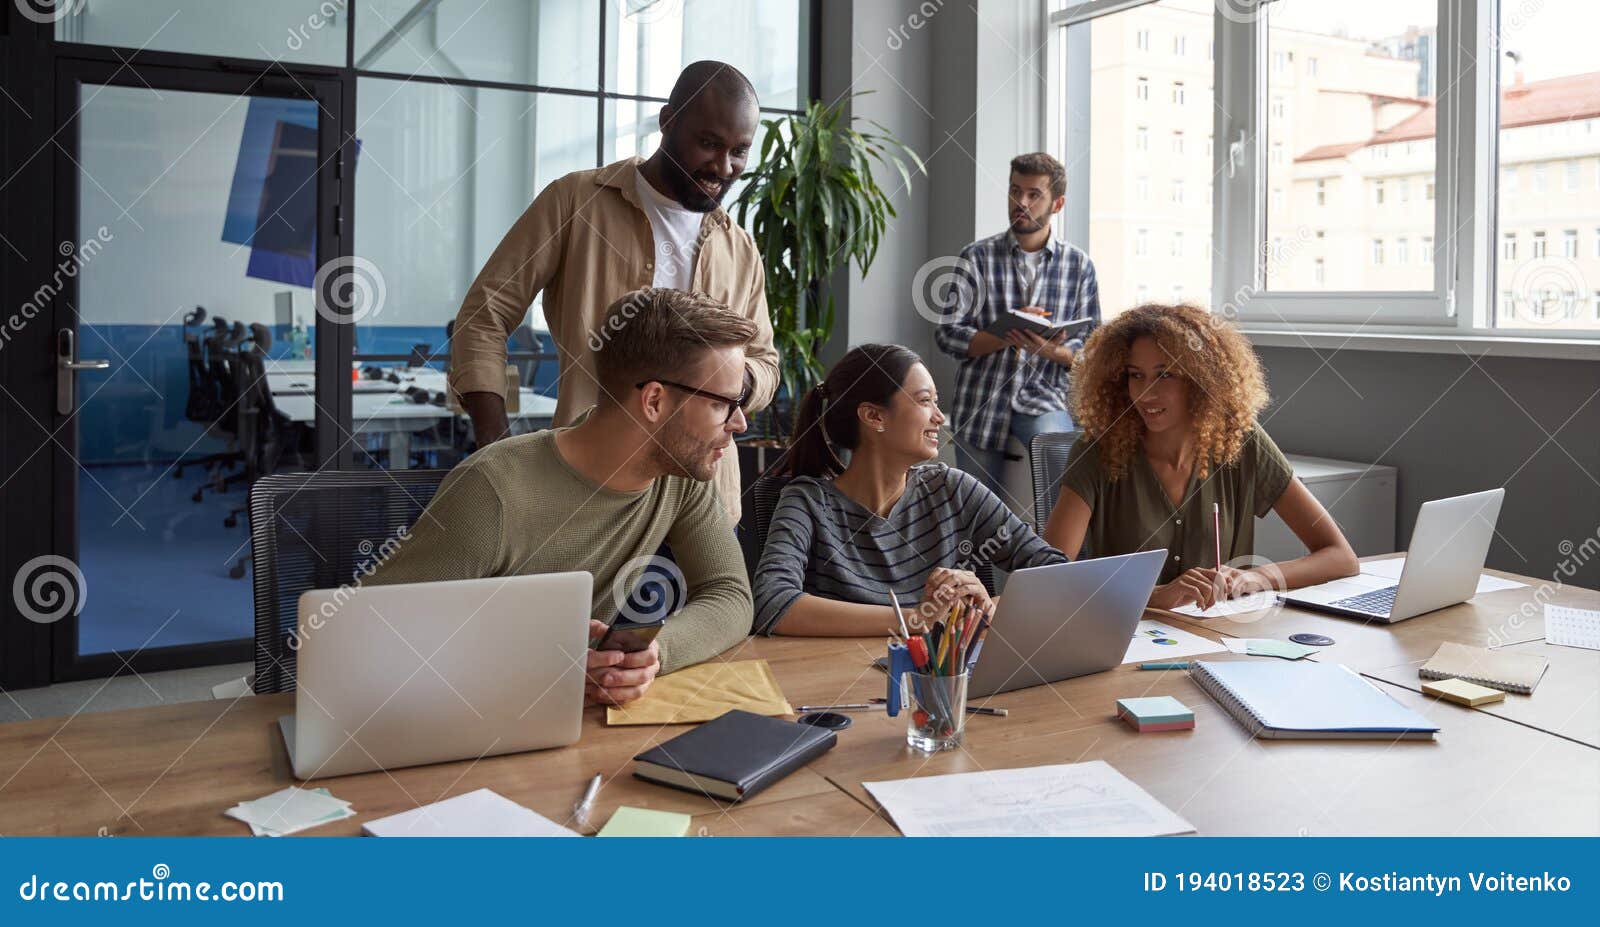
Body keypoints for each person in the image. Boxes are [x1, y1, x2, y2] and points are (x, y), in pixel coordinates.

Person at [367, 289, 757, 705]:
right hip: (465, 719)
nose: (741, 422)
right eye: (723, 404)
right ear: (655, 400)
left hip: (563, 721)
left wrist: (655, 655)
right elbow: (375, 638)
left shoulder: (681, 476)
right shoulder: (492, 490)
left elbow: (729, 595)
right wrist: (537, 667)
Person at [447, 60, 779, 523]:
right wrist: (498, 448)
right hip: (585, 489)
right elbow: (485, 314)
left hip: (705, 501)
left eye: (740, 151)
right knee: (579, 599)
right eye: (709, 144)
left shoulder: (740, 248)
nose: (724, 167)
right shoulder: (574, 201)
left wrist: (725, 381)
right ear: (668, 122)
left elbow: (764, 362)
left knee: (715, 597)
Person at [1041, 303, 1359, 610]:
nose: (1146, 393)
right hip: (1124, 641)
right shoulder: (1098, 450)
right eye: (1135, 375)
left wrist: (1255, 577)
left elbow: (1340, 556)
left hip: (1219, 638)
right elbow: (1049, 581)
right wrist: (1154, 595)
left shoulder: (1241, 440)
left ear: (1200, 380)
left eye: (1165, 375)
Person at [754, 344, 1066, 637]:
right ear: (874, 416)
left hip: (942, 681)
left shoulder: (954, 489)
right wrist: (917, 618)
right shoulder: (807, 501)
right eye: (924, 400)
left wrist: (990, 607)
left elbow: (1058, 573)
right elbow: (773, 603)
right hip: (840, 684)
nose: (939, 417)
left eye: (936, 401)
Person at [934, 151, 1100, 497]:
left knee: (1069, 486)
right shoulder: (976, 257)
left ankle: (1063, 554)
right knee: (974, 512)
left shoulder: (1079, 265)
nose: (1020, 202)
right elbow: (948, 333)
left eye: (1033, 194)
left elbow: (1092, 348)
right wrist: (1005, 334)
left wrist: (1050, 349)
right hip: (981, 402)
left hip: (1044, 399)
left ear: (1057, 203)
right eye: (1014, 191)